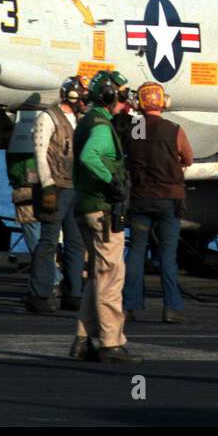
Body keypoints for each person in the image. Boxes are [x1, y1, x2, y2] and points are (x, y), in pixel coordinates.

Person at [69, 70, 141, 363]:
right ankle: (111, 343)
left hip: (86, 206)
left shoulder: (88, 121)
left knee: (98, 274)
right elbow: (89, 157)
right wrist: (110, 180)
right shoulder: (100, 126)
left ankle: (83, 340)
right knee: (111, 275)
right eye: (122, 95)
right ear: (110, 96)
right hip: (102, 209)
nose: (125, 101)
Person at [124, 82, 195, 323]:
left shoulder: (135, 128)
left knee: (135, 251)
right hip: (168, 200)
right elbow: (188, 158)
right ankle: (172, 308)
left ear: (140, 103)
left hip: (140, 199)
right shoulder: (174, 129)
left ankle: (129, 306)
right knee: (167, 255)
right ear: (164, 102)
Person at [26, 77, 86, 314]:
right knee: (49, 241)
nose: (83, 101)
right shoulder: (47, 118)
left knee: (75, 242)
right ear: (71, 97)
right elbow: (40, 153)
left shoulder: (78, 119)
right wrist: (47, 184)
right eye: (80, 97)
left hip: (73, 187)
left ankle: (74, 294)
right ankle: (38, 295)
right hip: (55, 188)